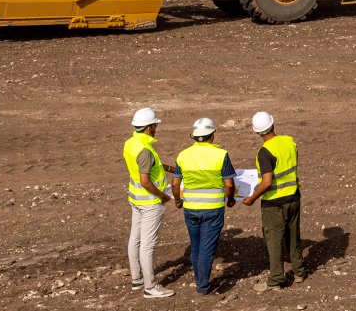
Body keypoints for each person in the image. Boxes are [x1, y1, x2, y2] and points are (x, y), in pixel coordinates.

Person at [171, 118, 236, 300]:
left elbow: (175, 184)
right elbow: (230, 184)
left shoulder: (183, 155)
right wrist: (230, 199)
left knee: (196, 247)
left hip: (190, 208)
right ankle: (202, 288)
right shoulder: (221, 155)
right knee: (206, 249)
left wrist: (178, 200)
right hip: (213, 209)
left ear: (194, 136)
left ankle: (200, 281)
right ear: (212, 135)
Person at [242, 112, 303, 292]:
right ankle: (299, 272)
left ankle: (275, 280)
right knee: (293, 236)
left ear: (256, 132)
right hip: (293, 197)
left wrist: (252, 198)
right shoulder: (289, 141)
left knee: (274, 242)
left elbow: (267, 182)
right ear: (273, 125)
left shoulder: (264, 152)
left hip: (274, 203)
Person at [122, 108, 176, 299]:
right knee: (147, 245)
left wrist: (170, 168)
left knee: (135, 240)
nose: (156, 128)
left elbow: (148, 167)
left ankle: (137, 278)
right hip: (150, 203)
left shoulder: (131, 143)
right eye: (154, 125)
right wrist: (163, 196)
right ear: (148, 128)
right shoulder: (145, 149)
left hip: (136, 199)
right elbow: (145, 180)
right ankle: (150, 287)